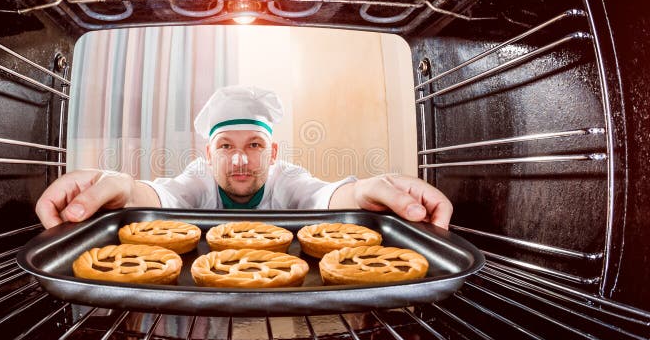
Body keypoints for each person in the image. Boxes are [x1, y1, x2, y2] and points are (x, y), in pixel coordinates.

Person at [36, 85, 452, 229]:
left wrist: (365, 191)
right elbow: (166, 195)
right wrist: (124, 187)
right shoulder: (199, 178)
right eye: (225, 147)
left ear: (272, 153)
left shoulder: (285, 177)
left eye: (253, 145)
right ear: (207, 154)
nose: (239, 161)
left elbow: (321, 197)